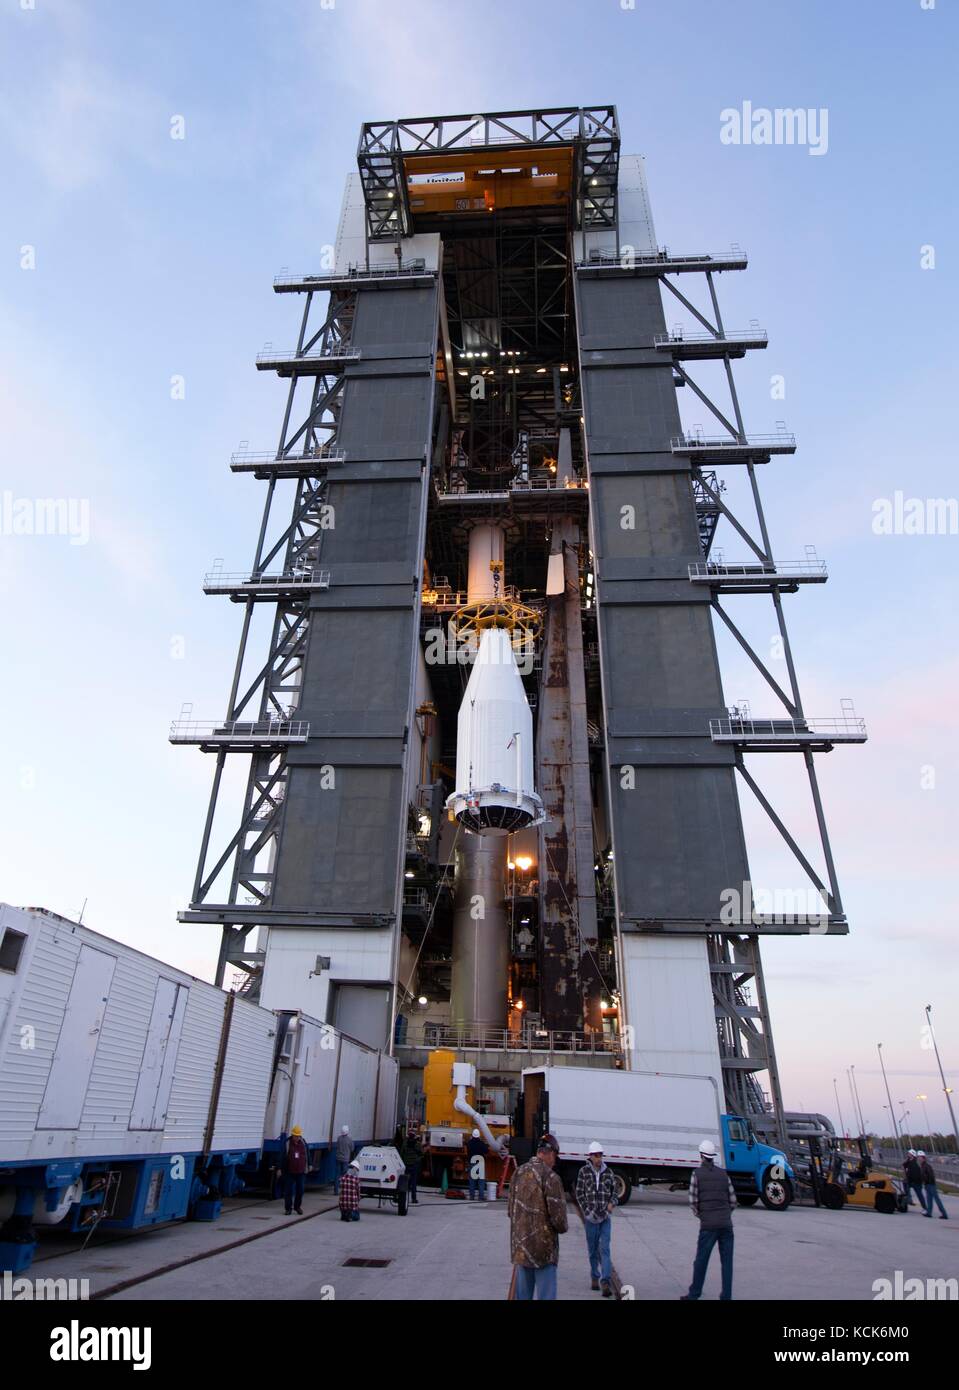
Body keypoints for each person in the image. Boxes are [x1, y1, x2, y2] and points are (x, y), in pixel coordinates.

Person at [508, 1132, 569, 1300]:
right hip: (544, 1253)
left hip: (521, 1249)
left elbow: (510, 1211)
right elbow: (560, 1222)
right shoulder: (551, 1178)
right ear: (549, 1153)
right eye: (555, 1156)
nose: (555, 1161)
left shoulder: (517, 1173)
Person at [680, 1139, 736, 1301]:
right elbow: (732, 1200)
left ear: (701, 1156)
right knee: (727, 1263)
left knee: (701, 1261)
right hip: (726, 1225)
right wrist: (725, 1214)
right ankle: (726, 1296)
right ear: (713, 1156)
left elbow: (693, 1201)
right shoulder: (724, 1174)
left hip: (708, 1225)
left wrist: (703, 1216)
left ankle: (694, 1294)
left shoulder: (697, 1174)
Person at [574, 1141, 618, 1296]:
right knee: (593, 1250)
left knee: (605, 1249)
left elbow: (615, 1192)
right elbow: (579, 1193)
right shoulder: (583, 1172)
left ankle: (605, 1281)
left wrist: (612, 1203)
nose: (599, 1158)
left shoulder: (609, 1173)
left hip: (605, 1218)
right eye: (596, 1155)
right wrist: (587, 1211)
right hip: (591, 1219)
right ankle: (594, 1276)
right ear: (590, 1156)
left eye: (601, 1155)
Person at [283, 1125, 308, 1216]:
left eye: (298, 1136)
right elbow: (282, 1156)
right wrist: (279, 1168)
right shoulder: (287, 1143)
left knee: (300, 1190)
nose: (296, 1138)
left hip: (300, 1172)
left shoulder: (303, 1143)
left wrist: (309, 1165)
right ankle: (288, 1208)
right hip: (290, 1171)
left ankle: (297, 1207)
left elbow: (307, 1154)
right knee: (288, 1191)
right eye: (295, 1136)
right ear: (292, 1135)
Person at [918, 1151, 949, 1219]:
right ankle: (929, 1213)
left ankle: (944, 1214)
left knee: (937, 1199)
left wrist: (927, 1181)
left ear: (923, 1158)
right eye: (918, 1157)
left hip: (931, 1185)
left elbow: (931, 1176)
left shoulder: (927, 1166)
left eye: (920, 1157)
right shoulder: (922, 1166)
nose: (919, 1159)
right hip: (927, 1184)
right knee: (929, 1200)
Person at [400, 1127, 423, 1205]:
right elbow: (421, 1155)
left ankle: (402, 1197)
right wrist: (417, 1160)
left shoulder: (405, 1143)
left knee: (404, 1182)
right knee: (413, 1182)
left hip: (406, 1164)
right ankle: (414, 1198)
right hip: (414, 1165)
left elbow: (401, 1154)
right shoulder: (418, 1144)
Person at [467, 1129, 488, 1201]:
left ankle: (472, 1196)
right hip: (480, 1163)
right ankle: (481, 1197)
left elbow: (468, 1150)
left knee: (472, 1181)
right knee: (481, 1181)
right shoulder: (481, 1143)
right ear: (479, 1136)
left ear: (472, 1135)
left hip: (472, 1162)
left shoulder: (469, 1143)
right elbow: (486, 1151)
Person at [334, 1125, 353, 1194]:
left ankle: (336, 1191)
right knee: (344, 1175)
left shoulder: (339, 1138)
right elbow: (352, 1149)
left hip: (338, 1158)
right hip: (345, 1159)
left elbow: (337, 1146)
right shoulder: (349, 1139)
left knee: (337, 1175)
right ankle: (344, 1190)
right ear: (347, 1132)